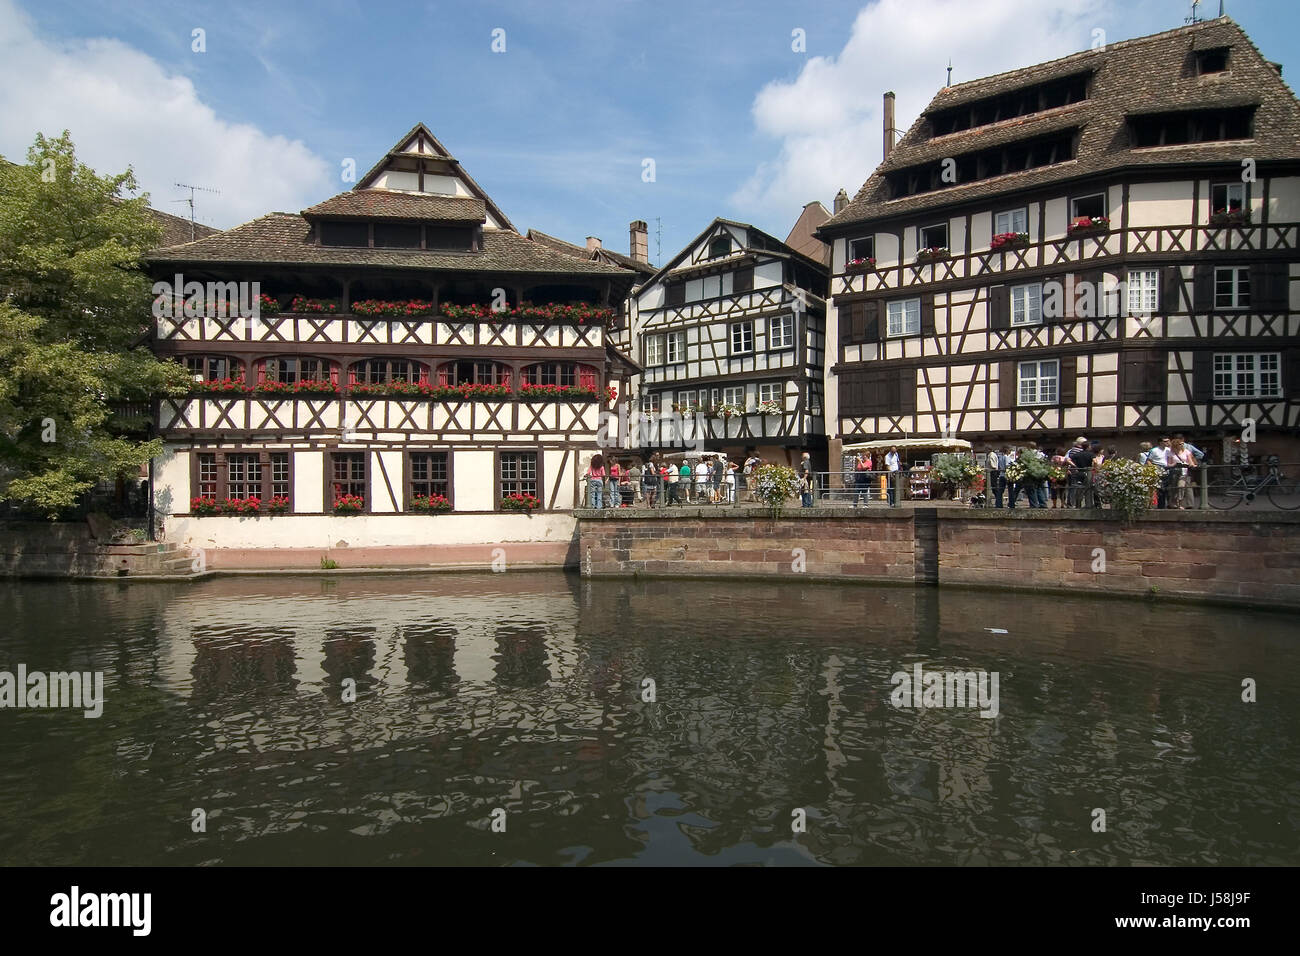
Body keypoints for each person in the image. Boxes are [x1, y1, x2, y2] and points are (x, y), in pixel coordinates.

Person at [1169, 436, 1197, 509]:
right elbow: (1168, 463)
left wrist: (1192, 465)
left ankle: (1189, 504)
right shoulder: (1171, 453)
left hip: (1185, 472)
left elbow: (1190, 461)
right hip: (1175, 472)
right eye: (1180, 444)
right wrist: (1174, 465)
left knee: (1184, 487)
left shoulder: (1186, 451)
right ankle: (1175, 503)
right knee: (1175, 488)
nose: (1182, 445)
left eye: (1182, 444)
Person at [1066, 438, 1094, 508]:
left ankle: (1077, 505)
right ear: (1088, 447)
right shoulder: (1091, 454)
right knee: (1088, 489)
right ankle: (1088, 504)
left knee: (1078, 489)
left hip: (1079, 472)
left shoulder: (1077, 454)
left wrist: (1074, 465)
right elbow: (1095, 462)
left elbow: (1068, 460)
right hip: (1088, 473)